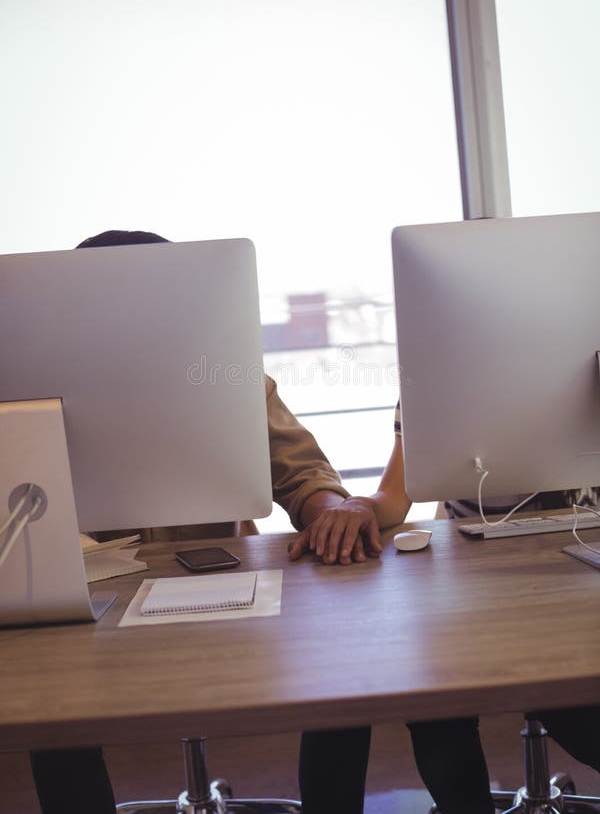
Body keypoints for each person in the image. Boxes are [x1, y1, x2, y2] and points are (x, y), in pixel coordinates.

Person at [29, 230, 406, 814]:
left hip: (224, 599)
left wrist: (333, 509)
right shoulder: (30, 391)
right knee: (42, 696)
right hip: (92, 609)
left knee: (344, 672)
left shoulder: (229, 379)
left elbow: (302, 475)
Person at [300, 407, 600, 814]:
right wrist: (361, 506)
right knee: (434, 709)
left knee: (580, 714)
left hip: (571, 582)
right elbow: (394, 494)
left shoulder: (583, 360)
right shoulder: (432, 370)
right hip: (468, 588)